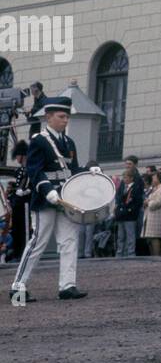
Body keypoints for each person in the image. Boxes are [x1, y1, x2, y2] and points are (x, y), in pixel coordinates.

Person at [9, 95, 95, 302]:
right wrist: (47, 190)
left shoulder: (69, 142)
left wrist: (88, 170)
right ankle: (18, 287)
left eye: (67, 117)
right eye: (61, 116)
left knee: (69, 241)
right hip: (46, 198)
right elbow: (34, 170)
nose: (66, 120)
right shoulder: (39, 140)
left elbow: (72, 171)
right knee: (38, 242)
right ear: (49, 117)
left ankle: (67, 285)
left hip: (66, 197)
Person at [115, 163, 143, 258]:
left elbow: (137, 201)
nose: (124, 179)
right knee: (121, 236)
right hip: (121, 214)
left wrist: (130, 209)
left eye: (126, 177)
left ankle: (130, 252)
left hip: (130, 214)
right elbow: (118, 197)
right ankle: (120, 253)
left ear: (131, 178)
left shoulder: (135, 188)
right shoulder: (122, 186)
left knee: (130, 235)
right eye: (124, 177)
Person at [142, 170, 161, 258]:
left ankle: (157, 256)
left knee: (155, 237)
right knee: (150, 238)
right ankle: (153, 256)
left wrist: (148, 202)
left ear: (159, 178)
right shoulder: (156, 189)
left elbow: (158, 202)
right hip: (150, 216)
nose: (152, 179)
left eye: (154, 177)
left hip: (157, 216)